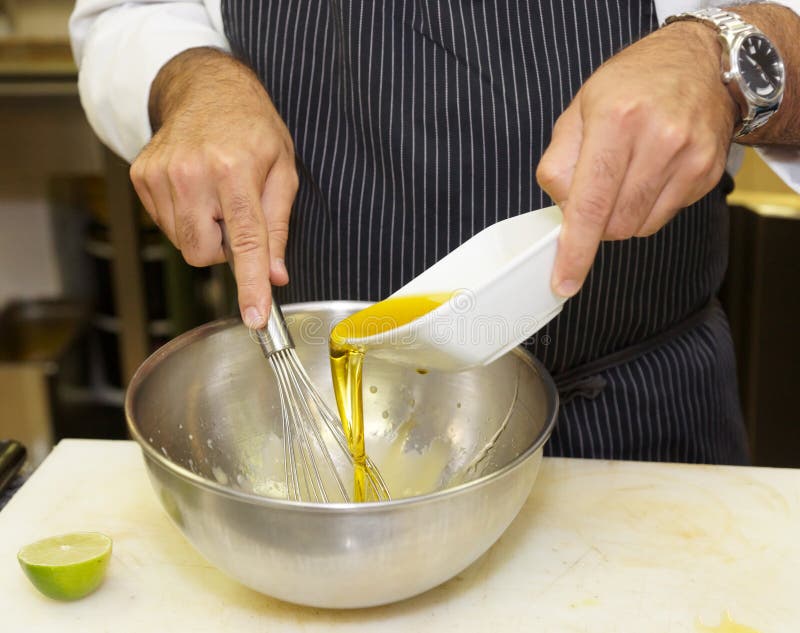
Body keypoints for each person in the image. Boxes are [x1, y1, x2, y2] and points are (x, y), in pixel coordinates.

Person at [70, 1, 800, 464]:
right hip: (331, 435)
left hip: (643, 423)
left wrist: (720, 60)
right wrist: (193, 77)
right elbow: (124, 13)